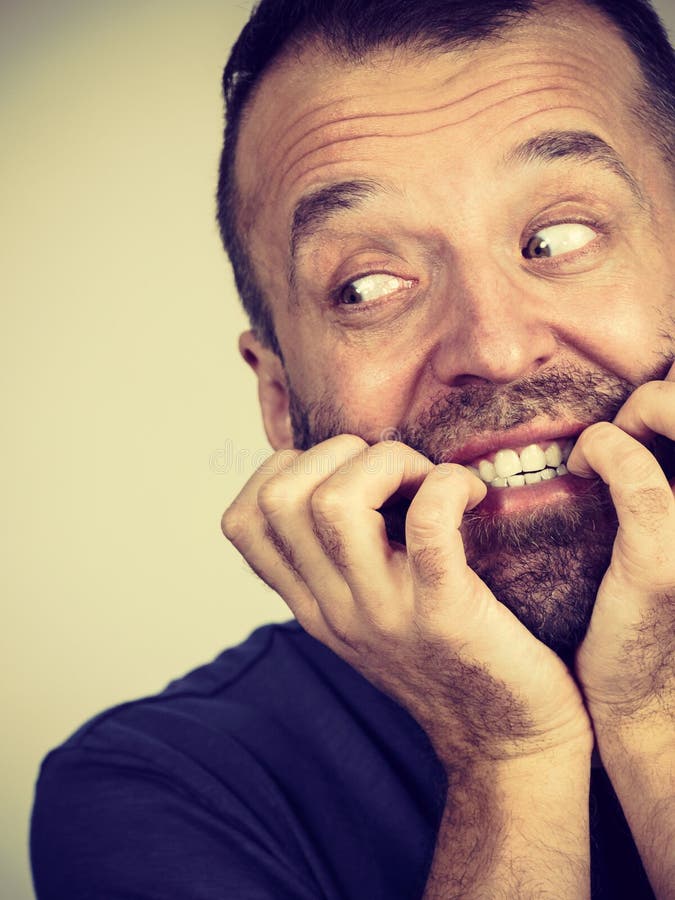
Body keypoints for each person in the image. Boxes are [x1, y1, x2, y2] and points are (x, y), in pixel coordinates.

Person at [31, 0, 674, 897]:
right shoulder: (161, 789)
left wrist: (654, 709)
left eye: (556, 238)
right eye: (368, 286)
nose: (490, 349)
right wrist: (504, 754)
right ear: (280, 397)